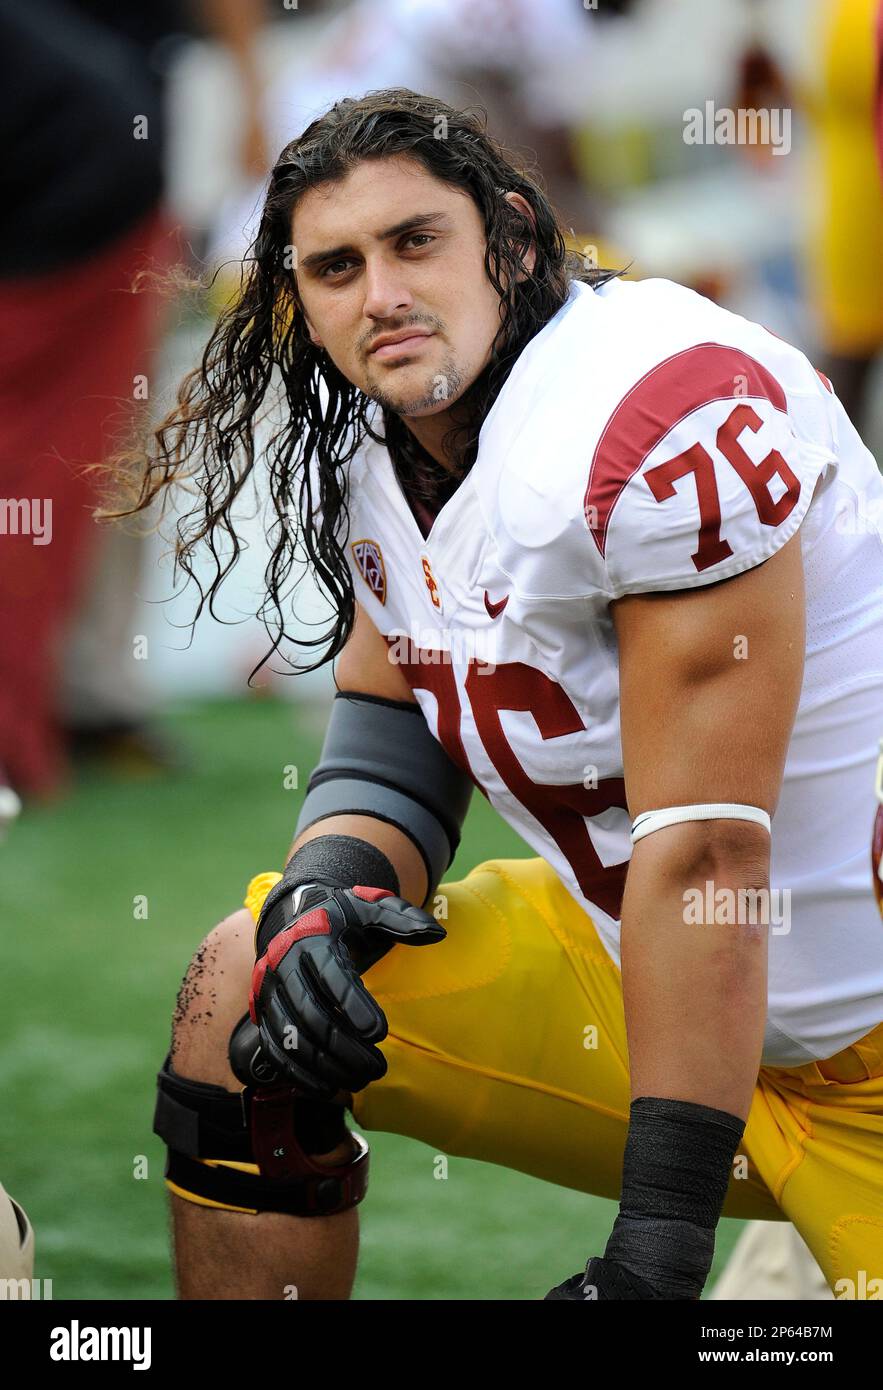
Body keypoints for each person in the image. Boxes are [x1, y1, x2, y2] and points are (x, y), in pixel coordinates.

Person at [118, 89, 883, 1300]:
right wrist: (325, 897)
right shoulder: (386, 441)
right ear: (299, 304)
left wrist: (655, 1254)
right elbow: (391, 733)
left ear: (513, 240)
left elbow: (711, 867)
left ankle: (779, 1254)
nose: (380, 293)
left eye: (415, 240)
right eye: (335, 266)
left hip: (852, 1045)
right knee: (244, 991)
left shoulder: (654, 416)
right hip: (635, 978)